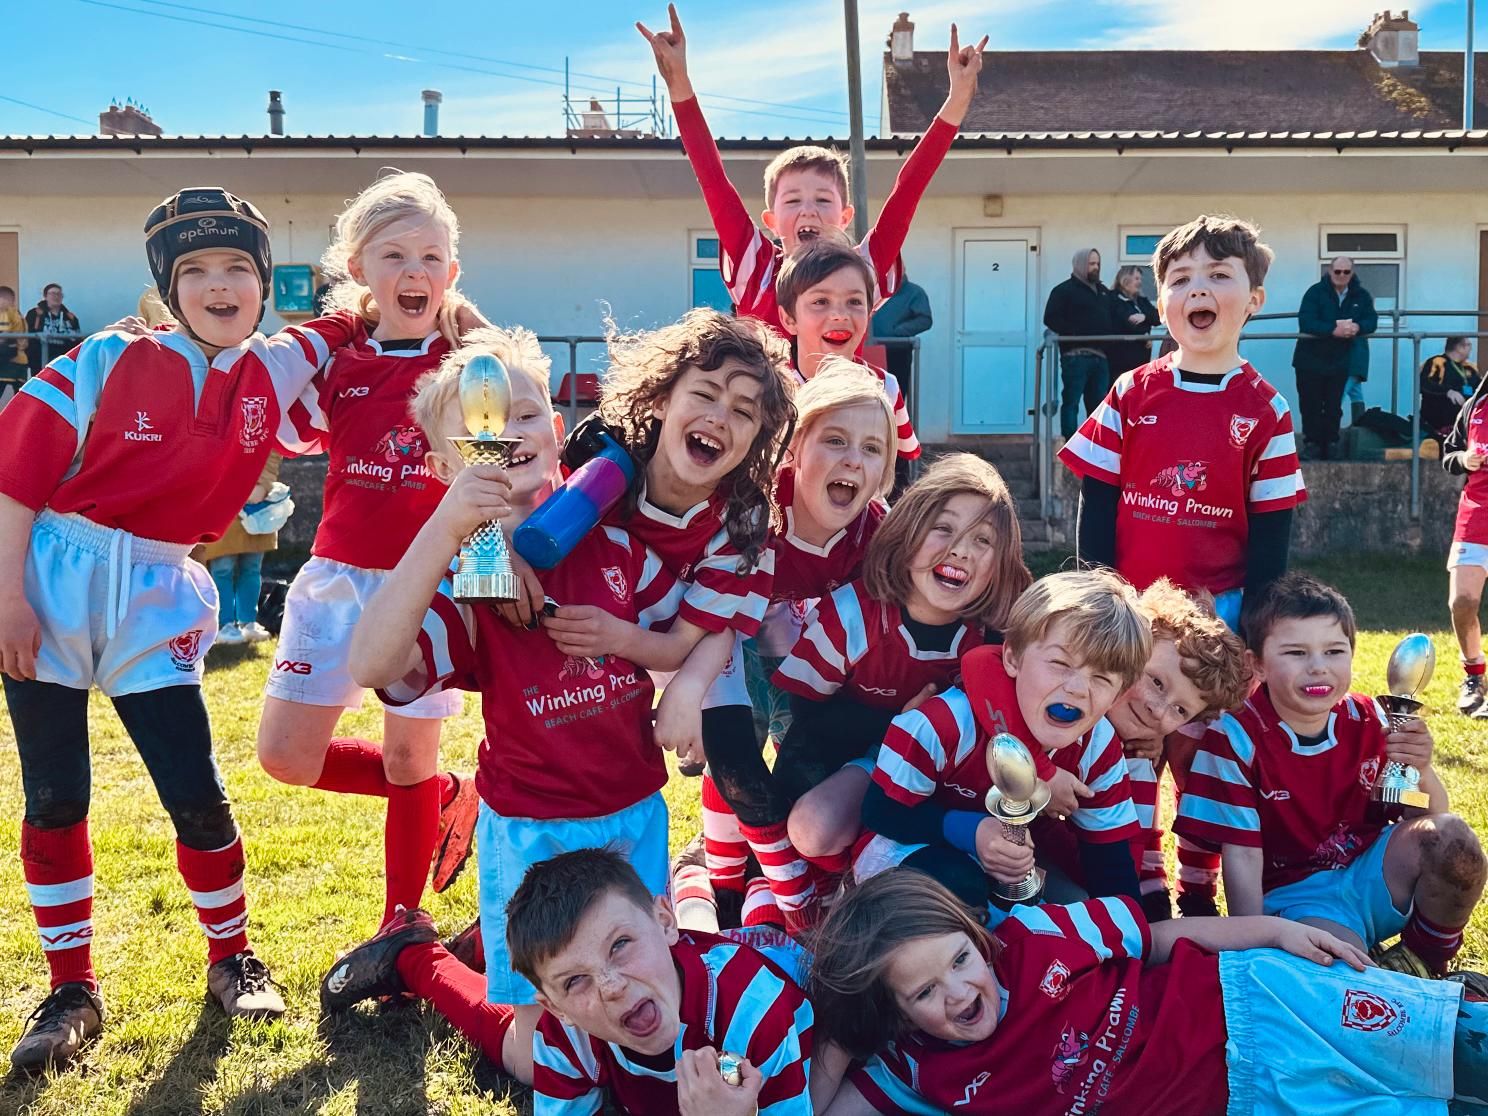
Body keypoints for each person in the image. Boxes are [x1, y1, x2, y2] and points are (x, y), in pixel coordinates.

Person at [0, 185, 366, 1072]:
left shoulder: (274, 367)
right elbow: (14, 475)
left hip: (159, 586)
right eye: (194, 269)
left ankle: (230, 956)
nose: (219, 284)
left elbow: (348, 322)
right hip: (52, 570)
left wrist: (415, 300)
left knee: (195, 789)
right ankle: (70, 987)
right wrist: (7, 594)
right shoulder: (105, 356)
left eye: (238, 265)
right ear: (167, 288)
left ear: (261, 282)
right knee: (55, 795)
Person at [325, 330, 686, 1082]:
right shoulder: (471, 578)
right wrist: (449, 526)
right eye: (477, 431)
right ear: (442, 467)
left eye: (522, 416)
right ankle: (421, 962)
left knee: (645, 1002)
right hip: (532, 827)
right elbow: (370, 664)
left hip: (634, 811)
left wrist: (664, 668)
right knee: (543, 1054)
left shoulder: (619, 541)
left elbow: (690, 628)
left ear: (556, 434)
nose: (504, 437)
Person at [254, 174, 490, 944]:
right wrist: (324, 331)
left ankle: (402, 922)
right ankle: (445, 794)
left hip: (422, 585)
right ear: (359, 270)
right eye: (393, 255)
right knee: (286, 757)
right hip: (334, 582)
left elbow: (509, 448)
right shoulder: (338, 362)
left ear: (451, 274)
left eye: (431, 256)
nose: (414, 271)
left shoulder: (466, 360)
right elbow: (269, 418)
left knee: (405, 756)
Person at [808, 870, 1488, 1116]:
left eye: (959, 959)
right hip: (1243, 1101)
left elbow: (1160, 938)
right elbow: (813, 1110)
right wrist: (845, 1028)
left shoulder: (1038, 937)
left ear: (973, 936)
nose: (958, 991)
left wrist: (1275, 931)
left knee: (1449, 1046)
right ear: (896, 1015)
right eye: (924, 991)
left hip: (1253, 1004)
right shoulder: (917, 1071)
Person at [323, 849, 826, 1115]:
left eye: (620, 945)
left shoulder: (754, 1012)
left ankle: (711, 868)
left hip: (786, 972)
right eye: (576, 981)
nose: (610, 985)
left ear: (662, 922)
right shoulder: (564, 1034)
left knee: (774, 933)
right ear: (553, 1005)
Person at [1177, 574, 1487, 979]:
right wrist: (1254, 947)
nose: (1318, 668)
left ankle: (1423, 962)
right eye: (1296, 652)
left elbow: (1430, 818)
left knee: (1456, 843)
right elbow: (1243, 856)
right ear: (1257, 664)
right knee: (1344, 972)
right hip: (1299, 899)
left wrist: (1421, 767)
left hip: (1372, 875)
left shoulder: (1371, 719)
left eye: (1334, 651)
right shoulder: (1235, 738)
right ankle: (1379, 978)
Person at [680, 360, 897, 933]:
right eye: (834, 439)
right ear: (795, 446)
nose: (854, 458)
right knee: (738, 755)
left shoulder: (881, 539)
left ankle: (768, 876)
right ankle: (724, 888)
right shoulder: (750, 514)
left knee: (801, 776)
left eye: (872, 448)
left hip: (826, 683)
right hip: (739, 651)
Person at [638, 4, 984, 343]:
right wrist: (679, 83)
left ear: (845, 216)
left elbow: (908, 190)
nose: (808, 209)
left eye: (822, 199)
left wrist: (956, 100)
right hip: (765, 401)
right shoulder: (754, 267)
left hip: (839, 399)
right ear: (770, 221)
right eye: (793, 199)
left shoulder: (864, 268)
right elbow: (713, 179)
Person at [1059, 214, 1306, 631]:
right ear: (1160, 305)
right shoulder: (1129, 391)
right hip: (1128, 611)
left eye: (1220, 274)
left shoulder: (1269, 410)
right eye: (1180, 280)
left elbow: (1272, 530)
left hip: (1218, 617)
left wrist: (1255, 626)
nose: (1199, 288)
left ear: (1254, 301)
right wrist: (1098, 597)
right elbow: (1097, 502)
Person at [855, 569, 1150, 913]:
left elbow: (1111, 864)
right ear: (1012, 658)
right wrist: (970, 830)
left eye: (1101, 678)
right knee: (958, 890)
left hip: (1013, 869)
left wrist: (1130, 935)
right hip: (906, 848)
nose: (1077, 688)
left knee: (1086, 913)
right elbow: (880, 812)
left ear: (1117, 695)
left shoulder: (1098, 745)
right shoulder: (942, 722)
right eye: (1059, 663)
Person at [1110, 579, 1252, 922]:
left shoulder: (1138, 761)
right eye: (1156, 682)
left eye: (1180, 711)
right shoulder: (1066, 709)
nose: (1158, 711)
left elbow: (1120, 864)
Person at [195, 452, 286, 646]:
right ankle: (224, 624)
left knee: (252, 568)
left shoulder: (264, 424)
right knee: (222, 568)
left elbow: (273, 452)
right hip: (224, 503)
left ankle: (248, 622)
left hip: (257, 507)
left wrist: (263, 484)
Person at [1292, 256, 1377, 459]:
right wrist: (1332, 330)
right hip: (1310, 358)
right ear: (1330, 271)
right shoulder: (1315, 292)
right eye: (1337, 271)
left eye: (1346, 272)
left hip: (1340, 359)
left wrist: (1358, 327)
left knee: (1333, 405)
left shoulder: (1361, 295)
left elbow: (1371, 320)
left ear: (1352, 273)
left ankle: (1331, 445)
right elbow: (1306, 321)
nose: (1341, 276)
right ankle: (1312, 444)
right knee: (1310, 404)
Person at [1443, 381, 1488, 717]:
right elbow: (1449, 453)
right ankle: (1474, 676)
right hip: (1476, 516)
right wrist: (1464, 459)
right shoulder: (1475, 406)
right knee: (1462, 602)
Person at [1043, 248, 1112, 437]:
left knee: (1100, 406)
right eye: (1091, 264)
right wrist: (1076, 331)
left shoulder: (1103, 292)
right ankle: (1070, 446)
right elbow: (1050, 318)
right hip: (1075, 356)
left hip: (1100, 357)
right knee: (1072, 402)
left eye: (1097, 263)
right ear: (1080, 264)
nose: (1095, 268)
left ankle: (1095, 447)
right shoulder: (1063, 290)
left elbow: (1117, 314)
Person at [870, 274, 931, 435]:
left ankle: (896, 447)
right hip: (868, 353)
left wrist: (899, 332)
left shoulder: (913, 292)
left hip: (897, 352)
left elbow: (925, 319)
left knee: (893, 401)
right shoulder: (871, 289)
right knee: (868, 401)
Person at [1103, 264, 1159, 378]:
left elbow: (1158, 317)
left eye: (1140, 279)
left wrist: (1145, 317)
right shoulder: (1113, 298)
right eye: (1136, 278)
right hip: (1120, 357)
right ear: (1125, 279)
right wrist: (1144, 336)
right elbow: (1128, 321)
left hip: (1141, 358)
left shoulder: (1141, 300)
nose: (1140, 282)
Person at [1421, 335, 1479, 440]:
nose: (1471, 348)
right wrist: (1448, 392)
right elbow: (1425, 384)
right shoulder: (1437, 362)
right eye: (1469, 345)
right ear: (1460, 347)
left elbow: (1480, 388)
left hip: (1466, 422)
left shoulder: (1470, 367)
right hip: (1440, 422)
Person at [24, 282, 81, 375]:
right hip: (40, 359)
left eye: (59, 294)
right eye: (52, 294)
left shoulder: (70, 317)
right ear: (45, 296)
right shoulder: (35, 314)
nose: (56, 297)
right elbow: (28, 335)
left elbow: (77, 338)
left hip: (64, 360)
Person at [0, 284, 29, 403]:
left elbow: (3, 335)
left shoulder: (5, 312)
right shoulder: (19, 314)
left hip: (6, 360)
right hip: (21, 359)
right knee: (19, 400)